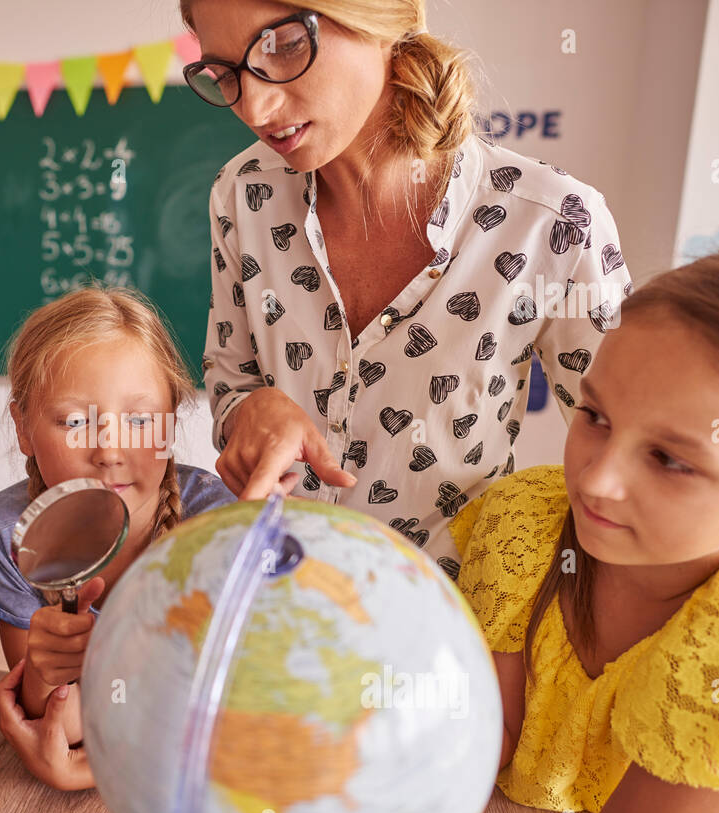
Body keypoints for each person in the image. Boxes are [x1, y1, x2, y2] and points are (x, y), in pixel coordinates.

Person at [184, 0, 632, 577]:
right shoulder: (243, 192)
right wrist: (249, 410)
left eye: (284, 45)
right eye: (224, 74)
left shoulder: (553, 221)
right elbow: (230, 376)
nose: (255, 107)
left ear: (383, 21)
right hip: (283, 612)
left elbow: (628, 446)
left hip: (453, 630)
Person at [450, 250, 719, 813]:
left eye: (670, 459)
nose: (597, 481)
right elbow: (489, 737)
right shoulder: (526, 524)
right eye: (594, 416)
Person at [0, 286, 235, 789]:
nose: (110, 451)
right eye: (74, 421)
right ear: (23, 427)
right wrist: (48, 671)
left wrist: (99, 768)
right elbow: (64, 728)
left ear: (170, 425)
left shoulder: (214, 521)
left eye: (139, 419)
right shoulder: (5, 530)